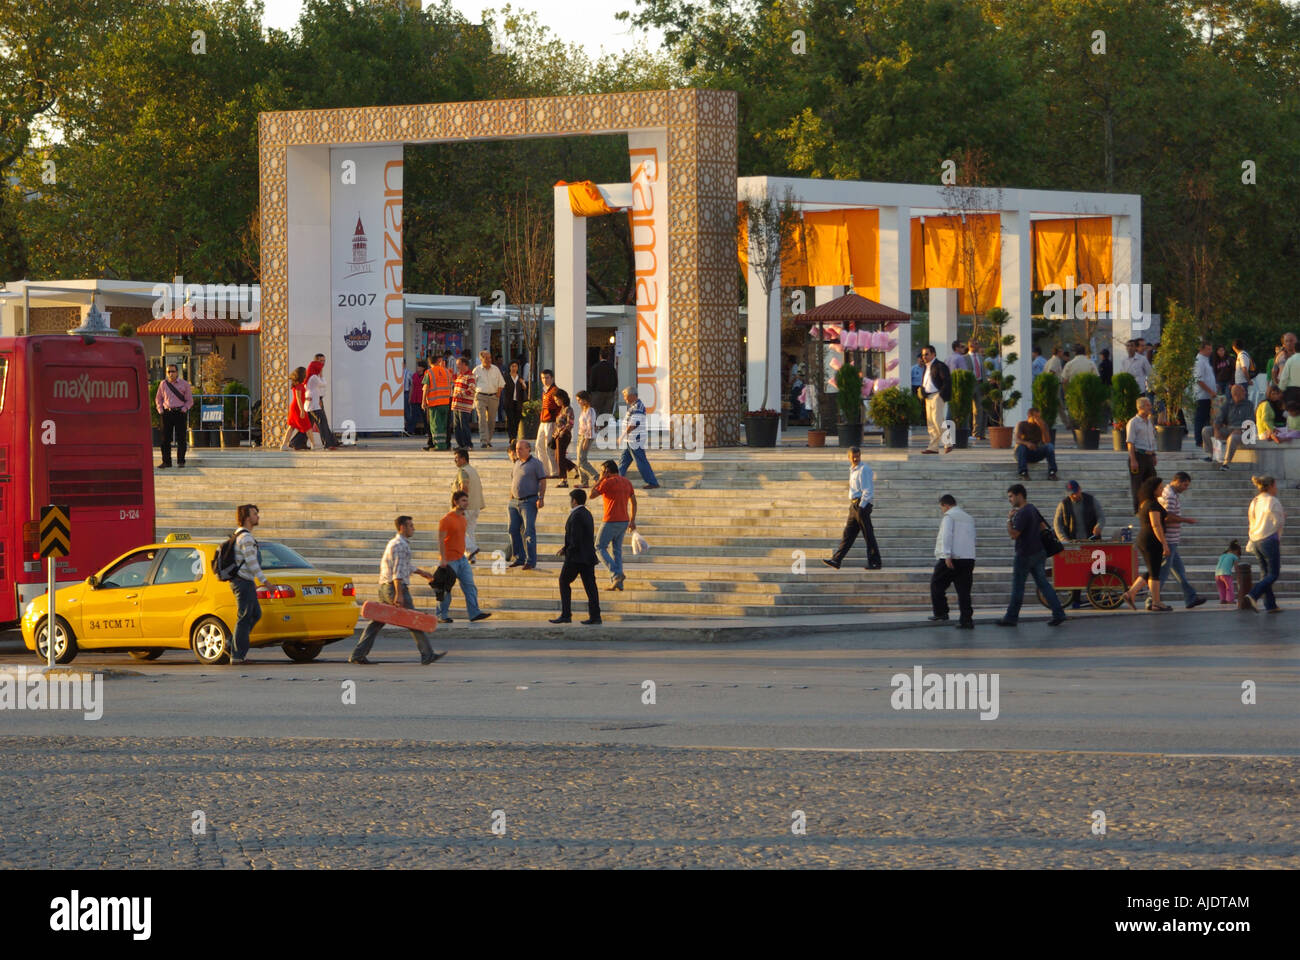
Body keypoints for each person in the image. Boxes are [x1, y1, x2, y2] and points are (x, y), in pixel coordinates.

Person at [349, 515, 447, 664]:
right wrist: (399, 594)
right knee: (413, 619)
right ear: (402, 527)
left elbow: (404, 566)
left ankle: (358, 654)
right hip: (394, 588)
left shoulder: (395, 543)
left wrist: (422, 573)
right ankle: (427, 654)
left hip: (385, 587)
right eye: (410, 526)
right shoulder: (400, 545)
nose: (413, 528)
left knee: (377, 622)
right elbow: (397, 572)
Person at [997, 484, 1067, 627]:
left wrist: (1009, 519)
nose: (1010, 500)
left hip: (1025, 553)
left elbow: (1014, 534)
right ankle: (1058, 613)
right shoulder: (1032, 508)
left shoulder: (1022, 513)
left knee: (1018, 586)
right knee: (1044, 584)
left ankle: (1011, 617)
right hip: (1039, 552)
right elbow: (1043, 526)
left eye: (1011, 496)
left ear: (1019, 495)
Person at [822, 445, 882, 570]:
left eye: (858, 456)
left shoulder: (864, 469)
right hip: (854, 505)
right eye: (853, 457)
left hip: (861, 505)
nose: (856, 459)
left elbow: (868, 490)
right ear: (848, 457)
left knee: (868, 534)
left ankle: (875, 562)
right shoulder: (853, 470)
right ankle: (836, 560)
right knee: (848, 534)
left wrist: (861, 507)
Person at [436, 491, 491, 624]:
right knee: (446, 589)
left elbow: (462, 538)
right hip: (449, 560)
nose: (466, 503)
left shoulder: (463, 518)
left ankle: (474, 613)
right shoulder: (446, 519)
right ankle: (441, 615)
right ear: (456, 502)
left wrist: (469, 551)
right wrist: (443, 559)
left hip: (462, 559)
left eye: (467, 500)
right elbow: (440, 540)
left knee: (470, 586)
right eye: (463, 500)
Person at [1119, 475, 1172, 611]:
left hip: (1145, 539)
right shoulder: (1152, 505)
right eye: (1160, 487)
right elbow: (1156, 525)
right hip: (1151, 541)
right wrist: (1164, 543)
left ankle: (1130, 593)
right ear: (1153, 489)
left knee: (1151, 570)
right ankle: (1156, 602)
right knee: (1155, 573)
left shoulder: (1145, 503)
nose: (1162, 489)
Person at [1156, 471, 1208, 610]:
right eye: (1184, 485)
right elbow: (1167, 517)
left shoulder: (1168, 492)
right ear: (1177, 482)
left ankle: (1191, 597)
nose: (1185, 488)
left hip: (1171, 539)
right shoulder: (1170, 496)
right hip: (1169, 539)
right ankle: (1152, 599)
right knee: (1163, 572)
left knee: (1179, 571)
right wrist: (1186, 520)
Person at [550, 488, 602, 625]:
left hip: (576, 557)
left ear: (574, 500)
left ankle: (566, 614)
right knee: (591, 587)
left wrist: (568, 552)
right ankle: (596, 616)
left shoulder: (576, 515)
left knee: (563, 582)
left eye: (571, 499)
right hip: (588, 557)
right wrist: (565, 548)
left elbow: (575, 538)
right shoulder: (586, 513)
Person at [229, 504, 272, 664]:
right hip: (242, 582)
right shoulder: (246, 538)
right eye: (255, 514)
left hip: (245, 581)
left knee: (255, 614)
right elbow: (252, 563)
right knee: (245, 616)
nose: (258, 517)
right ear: (247, 517)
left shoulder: (239, 535)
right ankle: (237, 655)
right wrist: (265, 582)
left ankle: (232, 645)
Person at [1052, 479, 1105, 608]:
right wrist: (1064, 540)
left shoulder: (1090, 500)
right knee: (1076, 571)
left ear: (1079, 489)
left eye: (1075, 492)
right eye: (1071, 493)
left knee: (1095, 569)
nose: (1074, 495)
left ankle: (1095, 596)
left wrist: (1098, 526)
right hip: (1073, 542)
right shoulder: (1064, 504)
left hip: (1091, 540)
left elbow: (1101, 516)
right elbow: (1057, 524)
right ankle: (1075, 599)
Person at [929, 493, 976, 628]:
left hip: (951, 558)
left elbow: (946, 536)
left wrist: (947, 555)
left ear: (946, 505)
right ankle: (966, 620)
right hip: (968, 558)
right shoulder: (969, 518)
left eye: (941, 507)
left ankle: (941, 612)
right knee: (964, 591)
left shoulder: (949, 516)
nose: (942, 510)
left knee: (936, 584)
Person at [591, 458, 637, 590]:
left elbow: (591, 495)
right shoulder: (627, 482)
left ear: (607, 471)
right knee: (617, 550)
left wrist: (600, 479)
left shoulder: (607, 482)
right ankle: (618, 583)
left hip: (610, 520)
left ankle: (616, 574)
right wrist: (632, 520)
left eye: (602, 471)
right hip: (624, 520)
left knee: (599, 546)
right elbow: (634, 501)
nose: (601, 474)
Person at [1242, 474, 1285, 613]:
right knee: (1273, 574)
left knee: (1264, 573)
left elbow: (1251, 519)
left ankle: (1270, 604)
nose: (1276, 488)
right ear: (1271, 486)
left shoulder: (1255, 500)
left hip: (1255, 539)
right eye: (1275, 485)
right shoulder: (1273, 501)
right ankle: (1253, 594)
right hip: (1269, 539)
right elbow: (1278, 520)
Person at [507, 438, 548, 570]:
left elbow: (542, 481)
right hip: (514, 502)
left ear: (528, 449)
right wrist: (511, 496)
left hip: (529, 501)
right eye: (516, 449)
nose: (517, 451)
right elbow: (513, 480)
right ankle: (519, 557)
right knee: (513, 529)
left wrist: (541, 498)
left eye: (520, 449)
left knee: (529, 531)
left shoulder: (536, 464)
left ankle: (531, 560)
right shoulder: (516, 463)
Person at [1201, 383, 1254, 470]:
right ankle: (1211, 455)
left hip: (1244, 432)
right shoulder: (1228, 405)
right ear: (1236, 394)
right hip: (1229, 429)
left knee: (1232, 437)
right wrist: (1216, 430)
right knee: (1206, 430)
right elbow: (1218, 419)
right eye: (1243, 392)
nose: (1245, 393)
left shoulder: (1249, 405)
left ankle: (1226, 463)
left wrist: (1240, 430)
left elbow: (1250, 422)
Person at [617, 386, 660, 489]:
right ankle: (617, 480)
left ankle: (652, 482)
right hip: (630, 440)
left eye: (625, 396)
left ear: (632, 396)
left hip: (635, 440)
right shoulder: (634, 406)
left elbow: (634, 424)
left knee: (641, 461)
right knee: (623, 462)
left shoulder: (637, 407)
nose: (624, 398)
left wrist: (622, 436)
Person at [155, 363, 193, 468]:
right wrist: (160, 410)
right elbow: (158, 398)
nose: (171, 374)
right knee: (165, 439)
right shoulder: (163, 384)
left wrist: (184, 409)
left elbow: (190, 400)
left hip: (180, 413)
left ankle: (181, 461)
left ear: (177, 373)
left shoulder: (184, 384)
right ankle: (166, 462)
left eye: (173, 371)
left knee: (181, 438)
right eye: (169, 372)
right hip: (166, 413)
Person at [917, 344, 952, 455]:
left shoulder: (940, 366)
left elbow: (947, 381)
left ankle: (948, 443)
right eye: (923, 355)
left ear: (933, 354)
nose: (924, 357)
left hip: (937, 395)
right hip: (928, 396)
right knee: (931, 422)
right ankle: (933, 447)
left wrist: (941, 394)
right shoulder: (926, 367)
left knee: (937, 420)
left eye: (927, 354)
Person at [451, 447, 485, 561]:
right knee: (470, 531)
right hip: (475, 506)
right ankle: (472, 556)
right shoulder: (472, 470)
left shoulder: (463, 471)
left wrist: (460, 506)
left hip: (466, 507)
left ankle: (472, 548)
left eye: (457, 458)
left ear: (463, 459)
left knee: (457, 530)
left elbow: (464, 487)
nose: (455, 461)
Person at [1126, 397, 1158, 514]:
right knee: (1137, 486)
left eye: (1150, 405)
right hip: (1138, 455)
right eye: (1148, 405)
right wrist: (1133, 460)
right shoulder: (1133, 422)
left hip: (1149, 456)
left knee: (1152, 483)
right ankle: (1138, 510)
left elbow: (1152, 439)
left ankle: (1150, 508)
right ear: (1140, 407)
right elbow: (1130, 442)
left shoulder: (1149, 421)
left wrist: (1154, 455)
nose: (1150, 407)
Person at [471, 350, 505, 448]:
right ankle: (483, 440)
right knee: (482, 418)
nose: (488, 360)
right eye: (486, 358)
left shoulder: (495, 369)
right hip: (480, 396)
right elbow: (473, 384)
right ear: (481, 359)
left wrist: (498, 393)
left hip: (493, 396)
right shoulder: (476, 370)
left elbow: (501, 383)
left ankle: (488, 439)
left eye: (489, 358)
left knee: (491, 420)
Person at [305, 354, 340, 449]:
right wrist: (321, 375)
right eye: (321, 361)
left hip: (316, 401)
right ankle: (328, 443)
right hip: (315, 402)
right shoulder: (314, 376)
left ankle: (297, 442)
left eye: (324, 361)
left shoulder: (313, 375)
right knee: (322, 422)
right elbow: (323, 384)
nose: (323, 363)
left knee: (309, 425)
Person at [1014, 407, 1058, 481]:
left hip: (1036, 452)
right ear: (1029, 416)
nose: (1037, 419)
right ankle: (1023, 473)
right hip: (1022, 453)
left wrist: (1043, 427)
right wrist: (1027, 443)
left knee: (1050, 446)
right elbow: (1017, 439)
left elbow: (1047, 441)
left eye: (1039, 417)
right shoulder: (1022, 424)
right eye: (1035, 417)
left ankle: (1052, 472)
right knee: (1021, 447)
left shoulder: (1043, 425)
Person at [281, 366, 318, 450]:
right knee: (308, 426)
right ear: (302, 374)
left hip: (296, 407)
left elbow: (300, 397)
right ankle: (313, 444)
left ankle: (284, 445)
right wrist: (302, 410)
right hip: (297, 408)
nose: (306, 374)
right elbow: (298, 398)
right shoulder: (299, 386)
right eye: (305, 373)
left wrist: (306, 398)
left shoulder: (298, 385)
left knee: (292, 427)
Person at [423, 355, 453, 451]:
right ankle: (445, 444)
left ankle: (439, 446)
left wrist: (423, 401)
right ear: (438, 361)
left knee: (435, 425)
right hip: (446, 402)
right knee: (444, 425)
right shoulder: (447, 372)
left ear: (430, 363)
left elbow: (426, 388)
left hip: (434, 403)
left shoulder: (429, 372)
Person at [536, 369, 561, 476]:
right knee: (539, 446)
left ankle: (554, 471)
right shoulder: (545, 391)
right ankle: (544, 471)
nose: (544, 380)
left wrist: (557, 424)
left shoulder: (555, 391)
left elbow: (559, 407)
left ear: (552, 378)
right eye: (542, 378)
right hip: (543, 421)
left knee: (549, 447)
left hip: (551, 421)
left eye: (547, 377)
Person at [574, 391, 600, 487]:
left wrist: (586, 439)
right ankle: (584, 482)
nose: (578, 402)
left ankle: (596, 477)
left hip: (586, 437)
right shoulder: (584, 410)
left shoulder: (590, 410)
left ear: (585, 399)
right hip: (581, 435)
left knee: (582, 461)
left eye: (579, 400)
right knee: (579, 460)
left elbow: (590, 425)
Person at [1192, 341, 1216, 449]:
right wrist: (1210, 391)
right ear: (1201, 349)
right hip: (1202, 395)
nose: (1210, 351)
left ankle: (1205, 439)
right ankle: (1199, 440)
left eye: (1211, 349)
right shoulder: (1199, 361)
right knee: (1200, 418)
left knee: (1206, 418)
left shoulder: (1206, 360)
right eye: (1208, 349)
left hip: (1208, 396)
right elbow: (1199, 379)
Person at [450, 356, 477, 450]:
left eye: (459, 365)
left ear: (464, 365)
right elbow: (450, 378)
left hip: (464, 406)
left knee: (464, 426)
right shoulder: (459, 375)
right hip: (457, 405)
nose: (457, 367)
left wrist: (461, 394)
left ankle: (468, 444)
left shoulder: (470, 376)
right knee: (456, 426)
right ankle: (460, 444)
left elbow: (472, 389)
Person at [552, 388, 577, 487]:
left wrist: (562, 432)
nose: (556, 401)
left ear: (562, 398)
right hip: (559, 436)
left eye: (557, 399)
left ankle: (564, 479)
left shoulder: (568, 409)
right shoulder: (562, 409)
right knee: (558, 457)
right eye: (555, 400)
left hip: (564, 436)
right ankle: (575, 468)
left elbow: (570, 423)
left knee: (560, 457)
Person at [588, 348, 619, 417]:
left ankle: (597, 427)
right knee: (607, 414)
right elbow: (615, 381)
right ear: (608, 357)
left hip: (597, 393)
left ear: (600, 356)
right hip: (609, 394)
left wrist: (591, 391)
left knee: (596, 412)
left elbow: (592, 381)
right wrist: (612, 390)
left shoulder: (595, 367)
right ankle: (605, 426)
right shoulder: (611, 367)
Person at [503, 360, 528, 442]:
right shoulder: (506, 377)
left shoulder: (520, 377)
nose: (514, 368)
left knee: (517, 419)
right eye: (512, 366)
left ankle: (515, 435)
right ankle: (512, 437)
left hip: (518, 402)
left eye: (515, 366)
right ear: (509, 367)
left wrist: (523, 383)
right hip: (509, 402)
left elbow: (524, 388)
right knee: (510, 420)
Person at [1216, 540, 1242, 604]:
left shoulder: (1222, 555)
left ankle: (1223, 599)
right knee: (1229, 587)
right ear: (1236, 551)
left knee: (1221, 588)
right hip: (1226, 574)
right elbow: (1236, 568)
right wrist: (1238, 576)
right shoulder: (1234, 556)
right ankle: (1230, 600)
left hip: (1217, 574)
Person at [409, 358, 427, 437]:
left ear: (423, 368)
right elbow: (412, 386)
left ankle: (427, 431)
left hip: (422, 397)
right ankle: (410, 430)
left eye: (419, 367)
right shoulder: (414, 375)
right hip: (415, 397)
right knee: (414, 415)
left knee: (424, 416)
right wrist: (410, 397)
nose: (417, 368)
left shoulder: (426, 375)